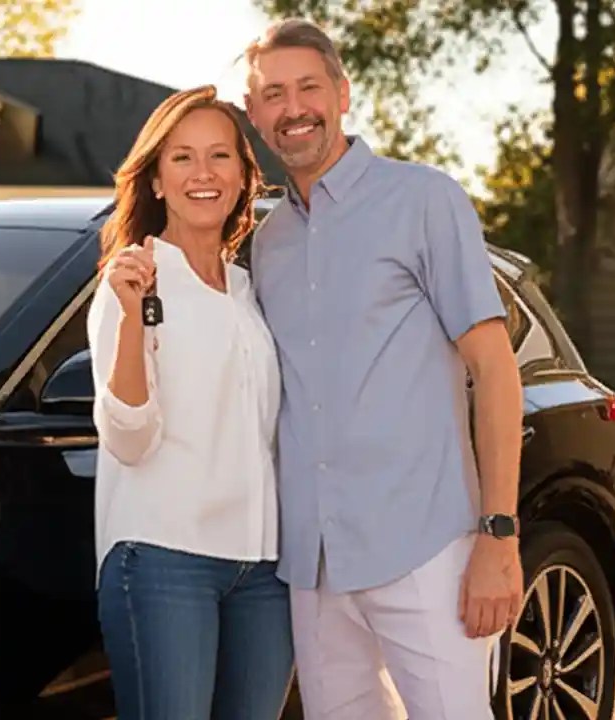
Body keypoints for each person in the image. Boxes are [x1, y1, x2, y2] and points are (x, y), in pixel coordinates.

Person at [242, 18, 525, 720]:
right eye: (273, 94)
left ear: (343, 93)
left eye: (309, 86)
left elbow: (494, 369)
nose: (293, 107)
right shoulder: (267, 242)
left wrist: (498, 536)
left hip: (424, 547)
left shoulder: (424, 200)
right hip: (313, 566)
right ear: (254, 115)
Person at [87, 84, 294, 720]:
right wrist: (130, 320)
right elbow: (128, 438)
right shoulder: (131, 283)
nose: (202, 174)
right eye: (181, 158)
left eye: (219, 156)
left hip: (262, 570)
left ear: (242, 176)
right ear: (154, 180)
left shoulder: (250, 290)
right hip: (161, 559)